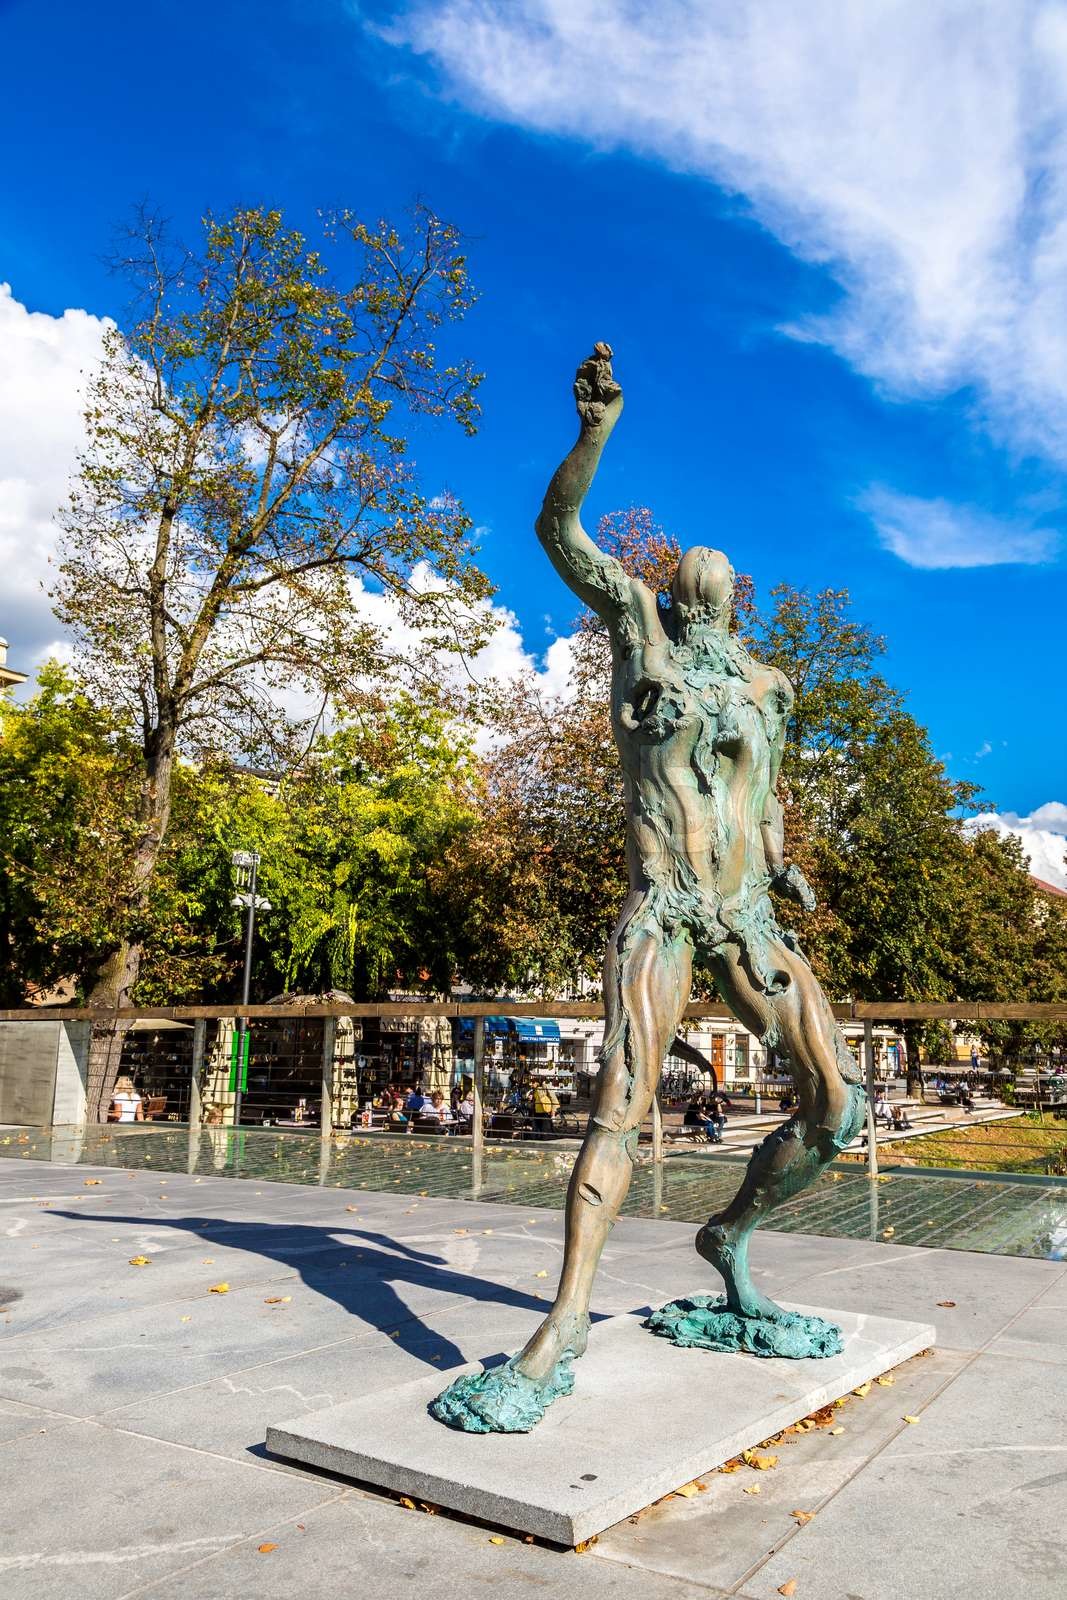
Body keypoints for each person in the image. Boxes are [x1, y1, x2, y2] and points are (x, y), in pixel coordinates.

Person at [433, 346, 867, 1434]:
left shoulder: (770, 686)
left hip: (747, 920)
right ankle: (563, 1325)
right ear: (676, 591)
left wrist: (778, 859)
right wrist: (593, 435)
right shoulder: (638, 633)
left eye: (714, 578)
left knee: (838, 1105)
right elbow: (557, 533)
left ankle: (726, 1238)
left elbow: (765, 795)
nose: (703, 580)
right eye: (691, 576)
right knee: (619, 1107)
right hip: (665, 910)